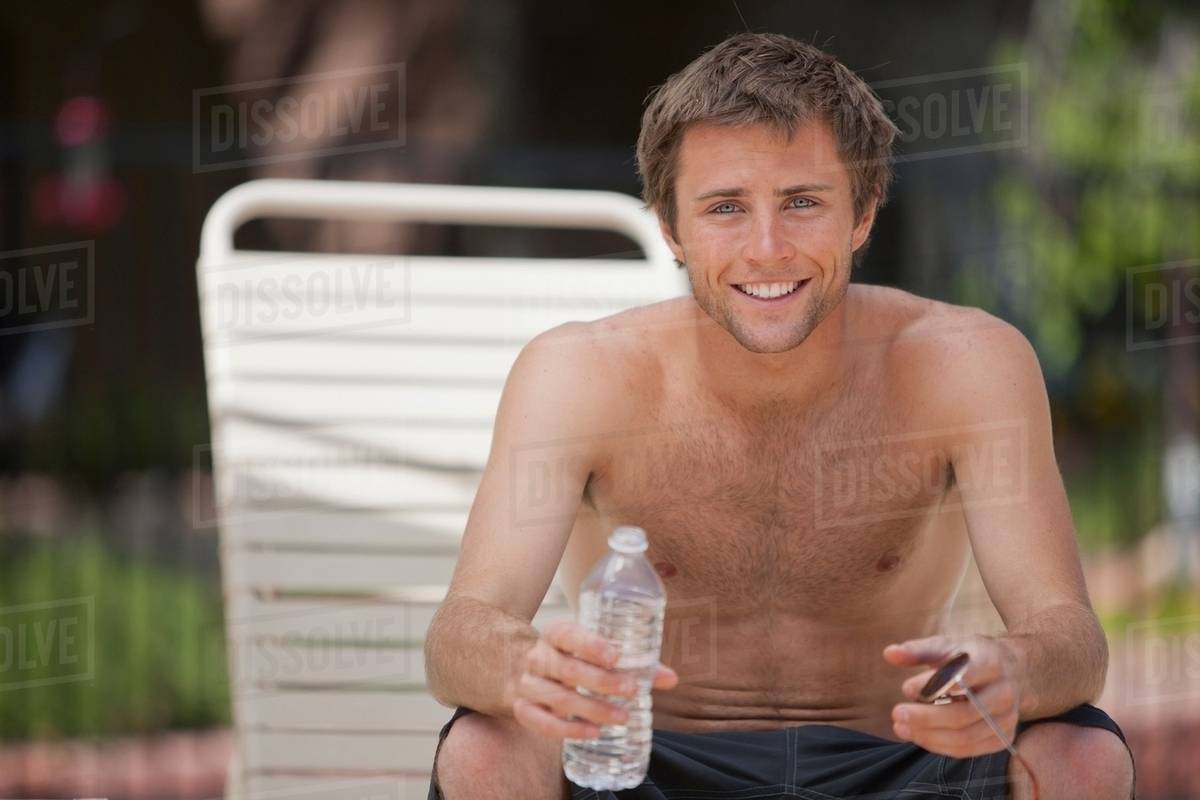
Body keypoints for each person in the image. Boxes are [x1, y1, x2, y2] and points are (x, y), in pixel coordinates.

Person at [423, 32, 1136, 800]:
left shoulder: (967, 364)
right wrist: (521, 664)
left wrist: (1015, 672)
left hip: (896, 762)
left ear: (862, 214)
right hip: (644, 768)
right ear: (671, 228)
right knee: (483, 749)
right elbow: (461, 631)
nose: (767, 249)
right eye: (725, 207)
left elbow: (1071, 635)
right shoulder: (578, 376)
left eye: (802, 202)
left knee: (1081, 757)